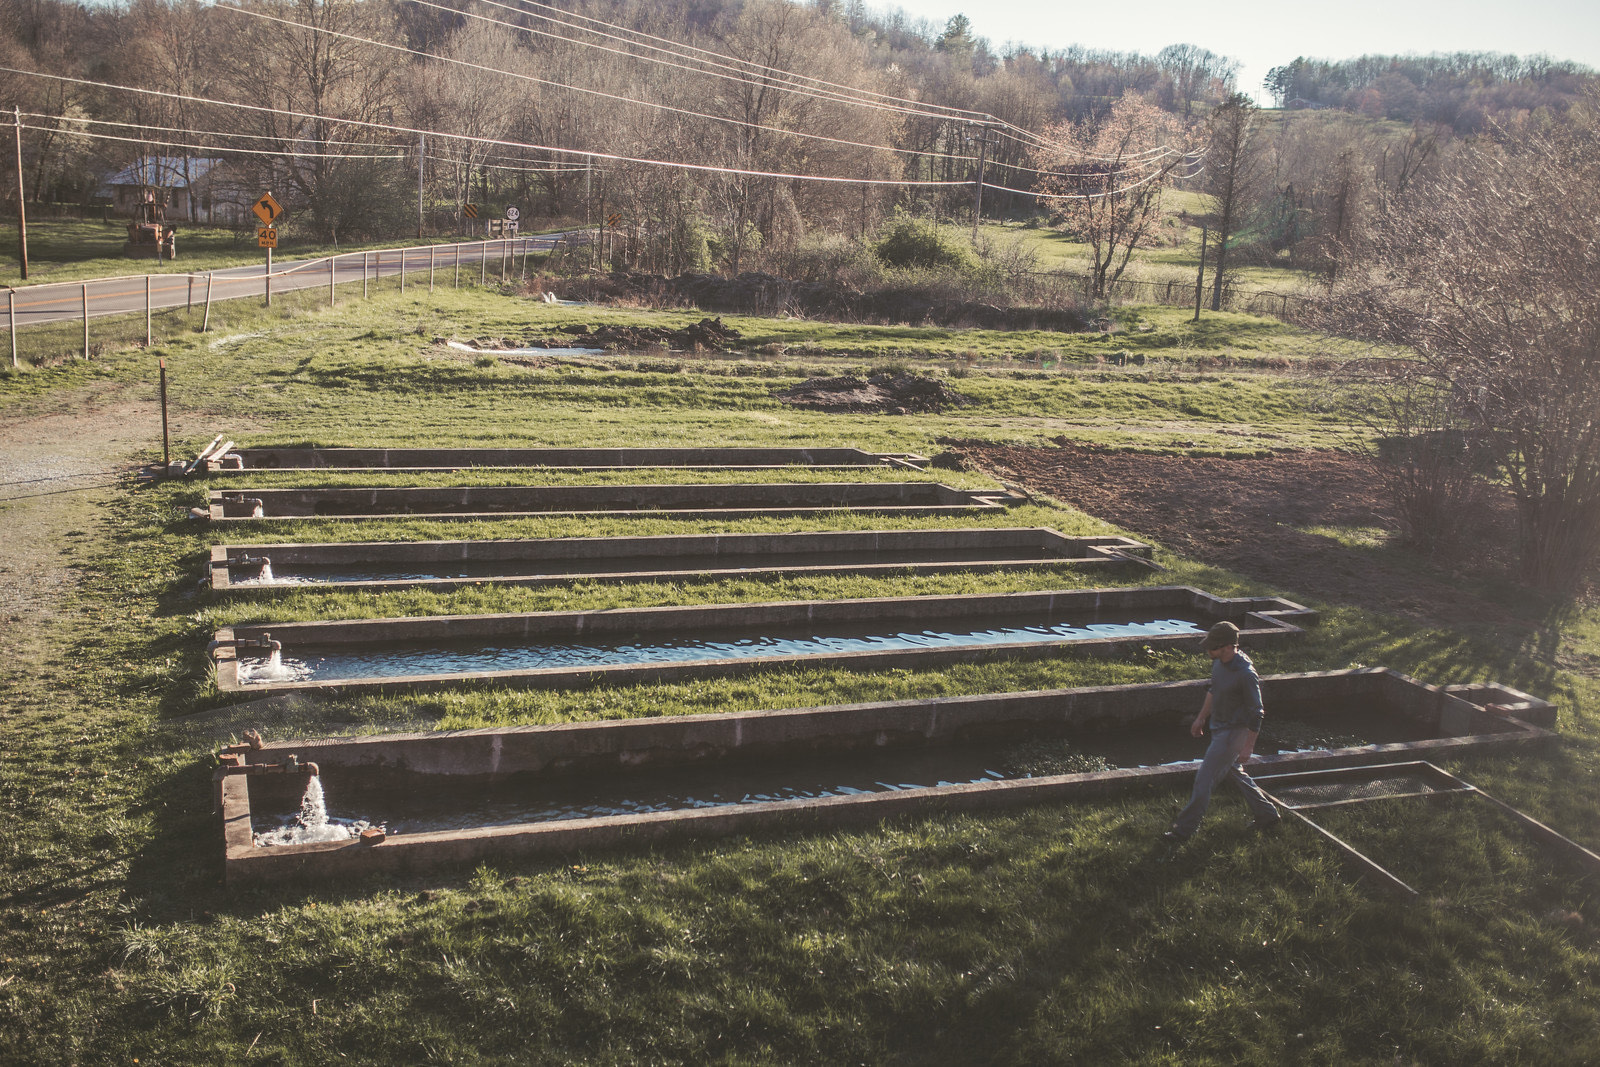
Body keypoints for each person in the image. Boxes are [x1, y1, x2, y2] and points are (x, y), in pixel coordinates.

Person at [1162, 620, 1281, 843]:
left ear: (1228, 646)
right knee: (1234, 772)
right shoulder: (1219, 663)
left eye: (1212, 647)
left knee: (1203, 780)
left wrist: (1249, 745)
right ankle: (1267, 815)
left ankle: (1182, 831)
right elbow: (1213, 690)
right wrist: (1200, 718)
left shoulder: (1246, 674)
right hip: (1219, 728)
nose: (1208, 651)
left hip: (1233, 735)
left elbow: (1257, 712)